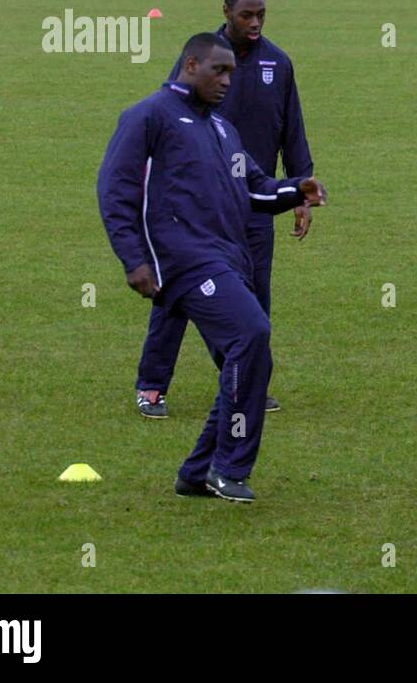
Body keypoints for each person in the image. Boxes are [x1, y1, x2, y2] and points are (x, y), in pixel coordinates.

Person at [98, 32, 325, 501]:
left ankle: (197, 471)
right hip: (184, 260)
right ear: (191, 64)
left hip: (227, 257)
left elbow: (253, 189)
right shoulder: (148, 116)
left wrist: (295, 190)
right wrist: (133, 259)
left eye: (231, 74)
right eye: (218, 71)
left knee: (247, 355)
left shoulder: (221, 129)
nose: (226, 81)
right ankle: (229, 467)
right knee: (251, 335)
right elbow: (114, 190)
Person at [134, 0, 319, 420]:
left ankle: (246, 382)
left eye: (261, 16)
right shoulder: (202, 57)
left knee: (254, 297)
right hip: (198, 207)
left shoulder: (279, 62)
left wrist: (299, 190)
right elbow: (169, 115)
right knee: (176, 297)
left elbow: (291, 128)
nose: (254, 23)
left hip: (256, 199)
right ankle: (152, 386)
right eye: (246, 15)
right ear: (226, 11)